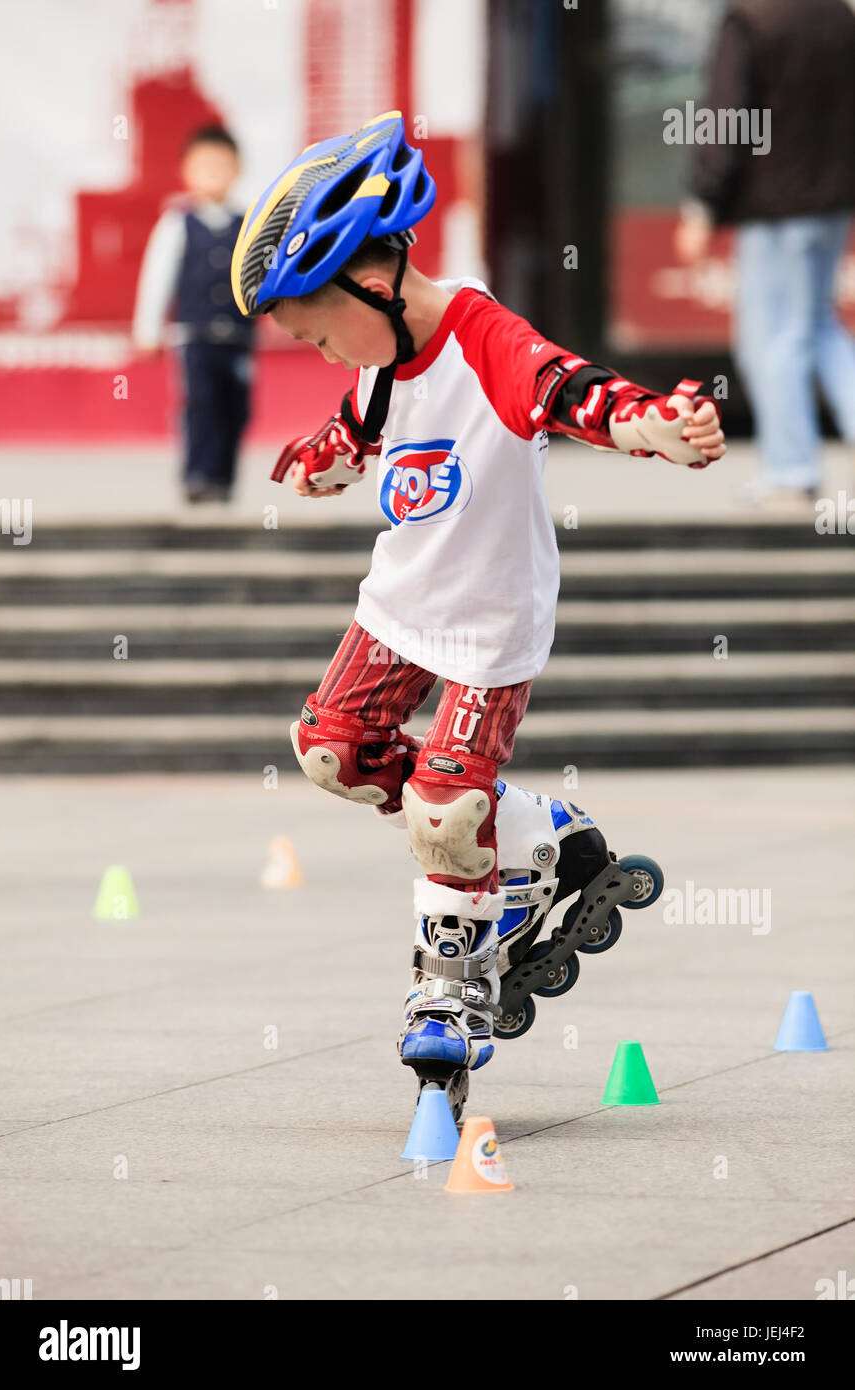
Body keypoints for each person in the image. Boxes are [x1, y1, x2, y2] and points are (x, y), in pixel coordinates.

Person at [231, 111, 725, 1112]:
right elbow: (364, 417)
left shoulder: (481, 335)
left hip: (489, 620)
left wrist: (655, 427)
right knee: (329, 749)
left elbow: (574, 393)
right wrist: (327, 454)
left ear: (373, 281)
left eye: (317, 328)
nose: (321, 350)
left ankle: (449, 986)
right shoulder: (378, 359)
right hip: (400, 602)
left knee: (445, 808)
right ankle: (542, 835)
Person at [674, 0, 855, 506]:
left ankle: (791, 471)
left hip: (777, 205)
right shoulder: (840, 16)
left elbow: (724, 114)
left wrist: (704, 202)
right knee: (817, 326)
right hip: (833, 203)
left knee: (772, 339)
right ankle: (793, 466)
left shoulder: (752, 19)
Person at [133, 125, 255, 503]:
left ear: (237, 169)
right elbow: (157, 278)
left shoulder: (250, 223)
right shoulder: (176, 224)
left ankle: (224, 478)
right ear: (186, 171)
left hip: (237, 338)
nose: (213, 174)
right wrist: (147, 330)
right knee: (200, 404)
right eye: (204, 166)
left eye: (222, 165)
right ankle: (198, 476)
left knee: (236, 408)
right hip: (194, 337)